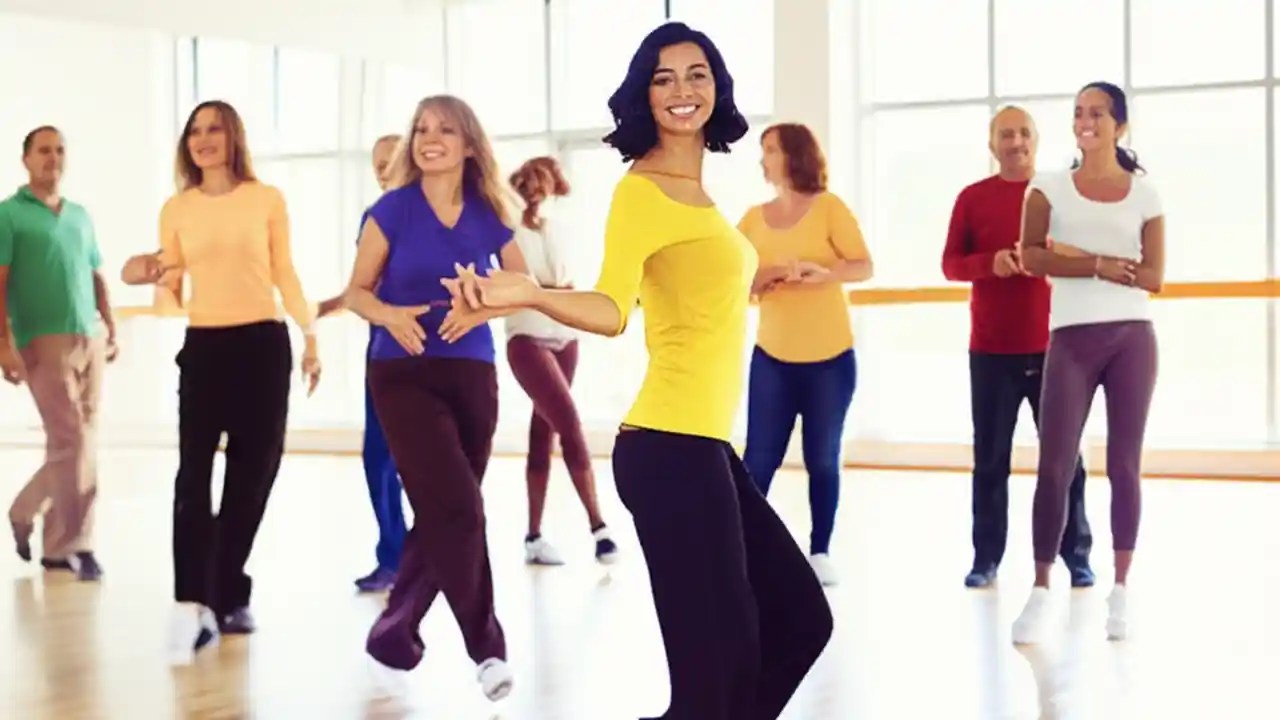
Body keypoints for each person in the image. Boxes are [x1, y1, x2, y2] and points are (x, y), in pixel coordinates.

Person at [443, 22, 833, 719]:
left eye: (696, 74)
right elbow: (612, 305)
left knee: (802, 623)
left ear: (716, 87)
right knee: (719, 674)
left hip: (709, 447)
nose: (683, 90)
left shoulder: (705, 196)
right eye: (664, 78)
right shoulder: (641, 190)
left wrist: (761, 276)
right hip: (667, 448)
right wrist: (532, 291)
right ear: (644, 96)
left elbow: (697, 295)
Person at [121, 99, 322, 664]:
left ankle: (228, 590)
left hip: (263, 344)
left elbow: (284, 270)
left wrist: (309, 335)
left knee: (252, 476)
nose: (204, 140)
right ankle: (192, 603)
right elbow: (172, 290)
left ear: (234, 138)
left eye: (214, 130)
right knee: (193, 476)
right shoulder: (176, 208)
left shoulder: (266, 200)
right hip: (206, 347)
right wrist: (150, 272)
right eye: (194, 132)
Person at [342, 94, 521, 702]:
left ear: (470, 144)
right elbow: (356, 293)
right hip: (402, 373)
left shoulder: (491, 212)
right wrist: (389, 315)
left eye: (445, 129)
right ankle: (487, 648)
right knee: (461, 511)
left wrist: (484, 308)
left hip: (473, 373)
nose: (429, 138)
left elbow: (526, 288)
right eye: (421, 129)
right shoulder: (390, 210)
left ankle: (395, 631)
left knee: (449, 509)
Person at [1010, 82, 1163, 644]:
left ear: (1119, 125)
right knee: (1054, 466)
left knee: (1124, 465)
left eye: (1097, 113)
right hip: (1070, 339)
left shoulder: (1145, 194)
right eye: (1077, 113)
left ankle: (1120, 591)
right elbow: (1031, 256)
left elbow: (1153, 277)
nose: (1085, 121)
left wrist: (1071, 258)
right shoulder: (1048, 188)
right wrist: (1099, 263)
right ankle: (1040, 588)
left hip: (1131, 339)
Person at [942, 106, 1095, 590]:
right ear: (993, 145)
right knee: (990, 459)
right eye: (1005, 134)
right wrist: (993, 264)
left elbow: (1082, 257)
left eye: (1024, 133)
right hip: (990, 350)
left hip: (1056, 348)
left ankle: (1077, 556)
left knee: (1065, 458)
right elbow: (951, 264)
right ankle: (986, 558)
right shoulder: (971, 199)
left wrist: (1046, 259)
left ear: (1036, 141)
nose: (1015, 141)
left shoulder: (1060, 196)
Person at [735, 122, 871, 588]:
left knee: (823, 458)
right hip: (772, 355)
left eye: (769, 150)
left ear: (794, 155)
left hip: (831, 359)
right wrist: (765, 275)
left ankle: (820, 549)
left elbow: (863, 264)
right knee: (758, 459)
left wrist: (824, 272)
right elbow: (732, 279)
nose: (763, 159)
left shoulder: (829, 207)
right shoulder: (753, 219)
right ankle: (748, 550)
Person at [1, 125, 115, 582]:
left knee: (80, 441)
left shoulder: (80, 215)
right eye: (44, 151)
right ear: (26, 159)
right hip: (40, 339)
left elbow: (94, 272)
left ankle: (46, 537)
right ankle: (71, 541)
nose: (53, 158)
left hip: (90, 335)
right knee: (72, 441)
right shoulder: (9, 215)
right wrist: (3, 344)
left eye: (60, 150)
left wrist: (111, 323)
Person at [503, 156, 618, 566]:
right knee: (569, 421)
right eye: (534, 183)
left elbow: (560, 284)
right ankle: (600, 528)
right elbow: (523, 287)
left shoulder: (557, 230)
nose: (540, 191)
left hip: (566, 337)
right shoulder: (508, 232)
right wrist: (550, 289)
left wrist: (550, 289)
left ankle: (533, 536)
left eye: (547, 183)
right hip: (527, 337)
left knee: (544, 431)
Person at [316, 133, 409, 593]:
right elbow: (364, 286)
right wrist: (321, 308)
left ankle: (427, 556)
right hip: (381, 356)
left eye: (391, 161)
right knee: (378, 457)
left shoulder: (433, 213)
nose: (383, 170)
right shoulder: (372, 218)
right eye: (376, 164)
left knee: (421, 462)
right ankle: (393, 555)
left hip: (427, 356)